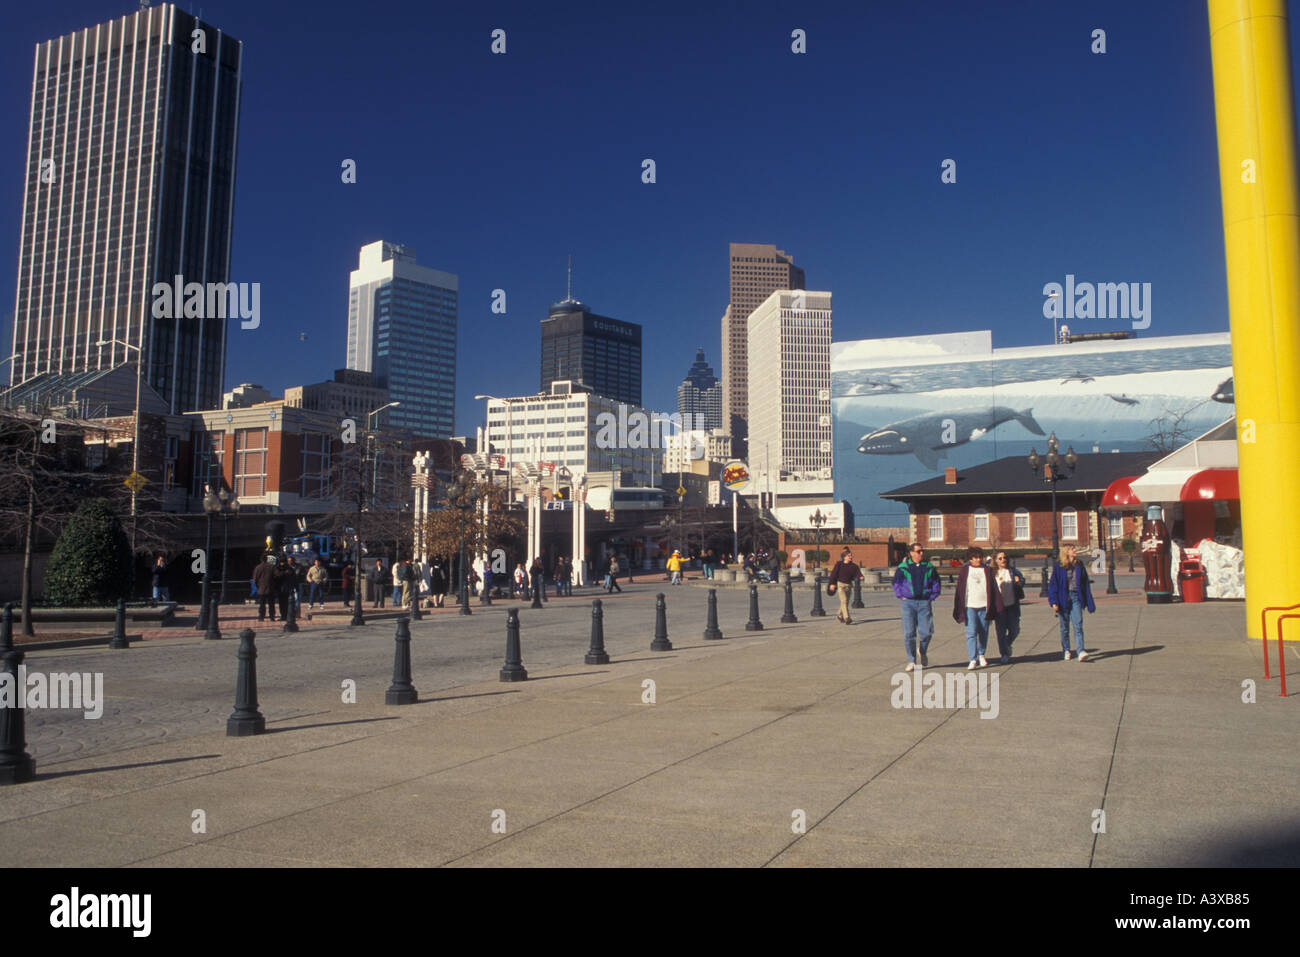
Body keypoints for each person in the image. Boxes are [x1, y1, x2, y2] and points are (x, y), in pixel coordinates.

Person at [953, 546, 1003, 670]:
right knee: (971, 632)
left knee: (983, 631)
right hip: (970, 605)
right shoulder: (965, 570)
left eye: (980, 557)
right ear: (970, 559)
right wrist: (958, 605)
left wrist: (998, 605)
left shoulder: (987, 570)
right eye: (975, 558)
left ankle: (981, 653)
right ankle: (972, 659)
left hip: (984, 605)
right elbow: (960, 589)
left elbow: (994, 588)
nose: (978, 560)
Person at [892, 543, 940, 672]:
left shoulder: (929, 567)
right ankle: (912, 660)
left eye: (922, 551)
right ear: (911, 553)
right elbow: (896, 583)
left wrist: (932, 596)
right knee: (909, 634)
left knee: (927, 633)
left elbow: (936, 582)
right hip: (909, 604)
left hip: (924, 603)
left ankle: (922, 650)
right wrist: (901, 595)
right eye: (918, 551)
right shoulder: (903, 568)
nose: (921, 553)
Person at [1049, 544, 1096, 660]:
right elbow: (1053, 585)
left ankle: (1081, 651)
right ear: (1066, 552)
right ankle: (1066, 649)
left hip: (1076, 597)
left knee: (1078, 624)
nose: (1075, 550)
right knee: (1064, 627)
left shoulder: (1079, 565)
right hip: (1063, 598)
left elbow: (1085, 584)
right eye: (1072, 549)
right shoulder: (1058, 566)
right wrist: (1054, 602)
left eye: (1074, 548)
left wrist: (1089, 602)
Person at [992, 551, 1026, 664]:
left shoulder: (1012, 571)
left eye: (1005, 558)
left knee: (1015, 629)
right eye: (1000, 558)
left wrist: (1019, 581)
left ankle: (1006, 643)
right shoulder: (992, 573)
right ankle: (1004, 653)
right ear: (996, 560)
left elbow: (1022, 580)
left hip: (1012, 605)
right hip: (999, 607)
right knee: (1000, 631)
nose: (1003, 560)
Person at [828, 547, 865, 625]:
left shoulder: (854, 566)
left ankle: (839, 614)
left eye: (851, 555)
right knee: (844, 601)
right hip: (840, 584)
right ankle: (847, 618)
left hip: (849, 585)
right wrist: (832, 584)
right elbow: (833, 574)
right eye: (849, 556)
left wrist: (861, 576)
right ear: (844, 557)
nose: (851, 557)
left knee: (845, 602)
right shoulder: (839, 564)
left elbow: (858, 573)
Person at [253, 556, 278, 622]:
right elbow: (277, 575)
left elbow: (255, 579)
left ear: (261, 560)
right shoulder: (272, 567)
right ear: (267, 559)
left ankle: (261, 617)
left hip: (261, 589)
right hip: (270, 588)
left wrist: (258, 586)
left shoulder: (258, 567)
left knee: (262, 604)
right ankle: (272, 617)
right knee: (271, 604)